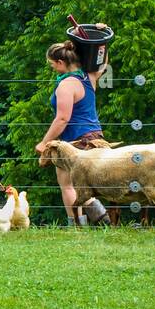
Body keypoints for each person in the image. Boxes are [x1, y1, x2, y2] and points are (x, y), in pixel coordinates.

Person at [34, 36, 110, 225]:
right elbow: (103, 61)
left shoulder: (66, 85)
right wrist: (101, 38)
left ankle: (78, 225)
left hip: (75, 142)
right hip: (96, 138)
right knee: (89, 184)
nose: (51, 67)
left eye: (52, 64)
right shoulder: (89, 76)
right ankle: (99, 217)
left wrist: (45, 143)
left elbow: (62, 119)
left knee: (67, 184)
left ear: (61, 62)